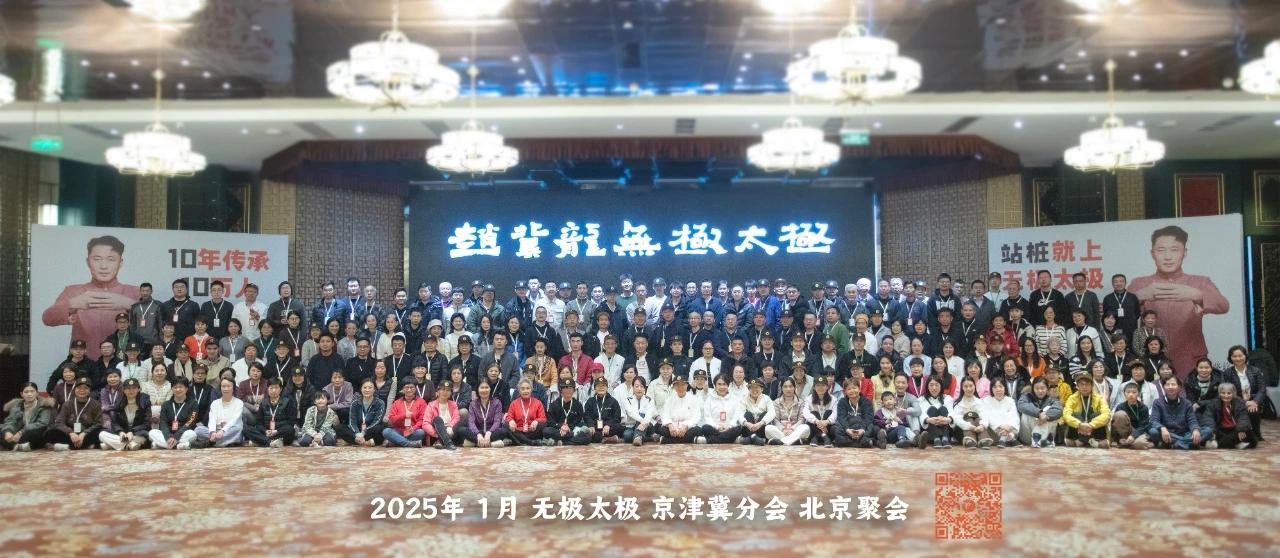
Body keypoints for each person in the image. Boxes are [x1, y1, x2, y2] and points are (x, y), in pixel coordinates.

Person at [1129, 226, 1230, 375]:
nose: (1168, 257)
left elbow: (1223, 305)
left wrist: (1196, 294)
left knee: (1191, 389)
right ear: (1152, 253)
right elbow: (1120, 311)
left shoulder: (1200, 282)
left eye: (1175, 250)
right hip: (1152, 356)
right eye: (1161, 250)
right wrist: (1139, 295)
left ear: (1185, 252)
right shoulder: (1140, 283)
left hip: (1190, 356)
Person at [42, 236, 140, 361]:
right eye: (97, 259)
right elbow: (47, 318)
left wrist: (129, 304)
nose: (103, 266)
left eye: (111, 259)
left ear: (120, 263)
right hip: (83, 362)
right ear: (88, 261)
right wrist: (74, 303)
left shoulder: (135, 292)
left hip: (122, 362)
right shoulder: (74, 290)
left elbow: (153, 323)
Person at [1149, 375, 1210, 450]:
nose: (1170, 387)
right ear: (1163, 387)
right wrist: (1162, 428)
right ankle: (1187, 443)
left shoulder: (1186, 403)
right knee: (1153, 432)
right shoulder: (1157, 402)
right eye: (1167, 384)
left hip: (1185, 433)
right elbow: (1154, 420)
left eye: (1173, 384)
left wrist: (1195, 429)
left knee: (1208, 431)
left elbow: (1192, 420)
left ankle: (1177, 444)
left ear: (1179, 388)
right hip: (1167, 433)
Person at [1223, 345, 1269, 441]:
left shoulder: (1255, 370)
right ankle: (1244, 433)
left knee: (1253, 410)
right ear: (1230, 358)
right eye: (1234, 356)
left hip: (1253, 401)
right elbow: (1228, 391)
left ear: (1245, 356)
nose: (1238, 358)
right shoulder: (1227, 373)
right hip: (1235, 402)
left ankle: (1256, 434)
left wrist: (1255, 401)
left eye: (1240, 355)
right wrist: (1244, 403)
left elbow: (1262, 389)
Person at [1198, 383, 1257, 449]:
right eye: (1223, 393)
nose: (1226, 396)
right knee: (1208, 432)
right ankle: (1235, 444)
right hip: (1220, 430)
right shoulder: (1213, 403)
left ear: (1233, 393)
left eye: (1229, 393)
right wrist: (1213, 430)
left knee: (1248, 433)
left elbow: (1243, 417)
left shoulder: (1239, 403)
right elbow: (1208, 418)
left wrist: (1241, 429)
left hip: (1235, 429)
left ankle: (1217, 444)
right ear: (1219, 393)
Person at [98, 378, 150, 451]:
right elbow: (114, 422)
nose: (131, 391)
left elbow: (147, 423)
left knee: (145, 436)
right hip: (123, 433)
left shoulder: (144, 402)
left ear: (139, 389)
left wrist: (132, 432)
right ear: (123, 390)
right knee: (102, 434)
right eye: (128, 388)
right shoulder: (119, 402)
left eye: (134, 388)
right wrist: (120, 432)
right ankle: (130, 444)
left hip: (138, 433)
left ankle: (113, 445)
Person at [149, 377, 200, 450]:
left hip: (183, 432)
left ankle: (162, 444)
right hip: (168, 433)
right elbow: (163, 423)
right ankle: (178, 445)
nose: (178, 389)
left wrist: (176, 437)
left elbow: (190, 422)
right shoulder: (166, 404)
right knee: (152, 432)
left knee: (192, 434)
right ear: (172, 389)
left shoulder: (193, 403)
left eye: (180, 387)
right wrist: (168, 437)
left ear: (186, 389)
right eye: (175, 387)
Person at [2, 383, 53, 451]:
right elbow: (11, 421)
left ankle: (12, 445)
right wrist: (8, 431)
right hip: (18, 433)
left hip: (32, 433)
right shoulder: (16, 405)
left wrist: (21, 432)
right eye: (26, 392)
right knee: (3, 429)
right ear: (21, 394)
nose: (29, 394)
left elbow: (42, 423)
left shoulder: (44, 405)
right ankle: (17, 446)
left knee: (36, 433)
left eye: (32, 391)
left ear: (37, 393)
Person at [196, 377, 245, 448]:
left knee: (238, 430)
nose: (226, 389)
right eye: (223, 386)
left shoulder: (239, 403)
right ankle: (224, 442)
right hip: (217, 430)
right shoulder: (215, 403)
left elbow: (234, 420)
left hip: (230, 430)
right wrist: (212, 432)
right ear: (220, 388)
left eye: (228, 386)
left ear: (233, 388)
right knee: (198, 430)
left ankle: (211, 442)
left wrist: (223, 431)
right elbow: (212, 419)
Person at [247, 379, 297, 448]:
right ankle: (270, 442)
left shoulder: (287, 402)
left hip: (280, 432)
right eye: (271, 388)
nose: (274, 390)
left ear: (281, 389)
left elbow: (291, 422)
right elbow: (259, 423)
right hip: (267, 432)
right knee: (248, 429)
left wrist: (276, 431)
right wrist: (265, 431)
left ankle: (261, 441)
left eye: (276, 388)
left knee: (290, 430)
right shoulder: (263, 403)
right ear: (267, 389)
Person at [833, 378, 881, 448]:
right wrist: (847, 430)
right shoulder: (842, 402)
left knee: (874, 428)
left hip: (862, 428)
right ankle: (869, 442)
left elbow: (868, 418)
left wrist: (862, 430)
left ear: (859, 389)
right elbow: (842, 418)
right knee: (834, 429)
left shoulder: (866, 401)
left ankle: (856, 442)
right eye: (849, 389)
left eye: (854, 388)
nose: (852, 391)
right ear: (845, 391)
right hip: (848, 429)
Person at [1016, 377, 1062, 447]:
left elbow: (1059, 409)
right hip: (1028, 437)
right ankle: (1036, 438)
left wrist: (1046, 416)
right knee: (1026, 413)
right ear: (1032, 389)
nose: (1040, 391)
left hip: (1046, 436)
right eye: (1037, 388)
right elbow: (1021, 405)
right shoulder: (1026, 396)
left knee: (1050, 413)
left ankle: (1042, 439)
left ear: (1047, 389)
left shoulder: (1053, 399)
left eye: (1042, 388)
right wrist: (1039, 413)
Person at [544, 379, 590, 446]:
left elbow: (577, 421)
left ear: (574, 390)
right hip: (558, 430)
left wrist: (568, 428)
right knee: (546, 431)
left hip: (571, 429)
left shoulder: (578, 405)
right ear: (561, 390)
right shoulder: (554, 404)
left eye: (570, 388)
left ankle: (560, 442)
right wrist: (561, 426)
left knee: (587, 437)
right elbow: (550, 421)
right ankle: (572, 437)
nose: (568, 390)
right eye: (565, 388)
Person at [461, 380, 506, 448]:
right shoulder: (473, 404)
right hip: (478, 433)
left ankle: (477, 443)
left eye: (486, 387)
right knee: (461, 430)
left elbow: (497, 421)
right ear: (477, 389)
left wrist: (489, 432)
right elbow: (471, 422)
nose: (484, 390)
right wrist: (478, 434)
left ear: (490, 389)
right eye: (482, 388)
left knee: (504, 431)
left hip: (492, 433)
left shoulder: (497, 402)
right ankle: (490, 443)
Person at [659, 374, 702, 444]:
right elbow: (665, 415)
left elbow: (696, 417)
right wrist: (670, 425)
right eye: (677, 385)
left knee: (697, 430)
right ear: (673, 386)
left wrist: (686, 426)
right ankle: (690, 440)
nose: (680, 387)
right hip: (673, 427)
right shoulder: (669, 400)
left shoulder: (694, 399)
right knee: (662, 430)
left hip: (688, 428)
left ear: (687, 385)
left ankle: (667, 440)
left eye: (683, 384)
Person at [1111, 382, 1153, 450]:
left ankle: (1129, 442)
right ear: (1124, 393)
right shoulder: (1120, 406)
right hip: (1125, 432)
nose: (1131, 394)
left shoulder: (1143, 408)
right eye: (1128, 392)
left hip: (1139, 432)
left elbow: (1144, 426)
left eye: (1134, 392)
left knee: (1139, 444)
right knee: (1119, 414)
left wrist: (1133, 436)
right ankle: (1125, 441)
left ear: (1138, 393)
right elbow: (1115, 424)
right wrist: (1118, 439)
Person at [384, 383, 427, 448]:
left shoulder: (421, 402)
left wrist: (413, 428)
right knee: (386, 431)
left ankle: (396, 442)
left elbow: (422, 420)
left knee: (421, 432)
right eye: (407, 387)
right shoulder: (397, 402)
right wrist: (404, 415)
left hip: (413, 431)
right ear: (403, 389)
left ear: (415, 389)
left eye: (411, 387)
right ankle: (409, 444)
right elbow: (392, 419)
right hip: (398, 431)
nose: (409, 390)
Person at [505, 379, 547, 446]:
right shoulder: (514, 403)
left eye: (528, 388)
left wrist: (536, 421)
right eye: (523, 389)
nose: (525, 391)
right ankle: (530, 442)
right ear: (519, 391)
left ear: (531, 389)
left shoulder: (538, 403)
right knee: (506, 425)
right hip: (518, 431)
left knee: (542, 424)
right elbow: (509, 417)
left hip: (532, 431)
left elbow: (543, 418)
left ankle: (520, 442)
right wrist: (511, 421)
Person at [916, 376, 954, 448]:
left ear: (941, 386)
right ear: (927, 387)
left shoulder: (947, 398)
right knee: (932, 409)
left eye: (937, 385)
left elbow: (951, 411)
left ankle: (945, 438)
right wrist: (929, 420)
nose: (934, 388)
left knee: (943, 409)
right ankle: (936, 438)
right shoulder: (921, 400)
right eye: (931, 385)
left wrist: (947, 419)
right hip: (930, 430)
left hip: (945, 428)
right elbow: (922, 414)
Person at [423, 381, 462, 450]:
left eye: (448, 390)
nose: (445, 392)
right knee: (437, 419)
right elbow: (425, 424)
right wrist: (438, 434)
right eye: (443, 389)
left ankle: (441, 442)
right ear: (438, 391)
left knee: (463, 420)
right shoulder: (431, 405)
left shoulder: (453, 404)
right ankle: (448, 443)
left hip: (451, 431)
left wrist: (450, 427)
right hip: (437, 433)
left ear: (451, 393)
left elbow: (456, 418)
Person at [982, 380, 1020, 447]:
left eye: (1000, 386)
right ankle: (1009, 438)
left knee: (1011, 416)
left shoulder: (1010, 401)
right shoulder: (986, 401)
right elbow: (989, 418)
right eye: (995, 387)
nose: (998, 389)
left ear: (1005, 388)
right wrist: (1001, 426)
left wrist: (1010, 427)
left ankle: (1005, 437)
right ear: (991, 389)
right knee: (988, 419)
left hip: (1010, 429)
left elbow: (1015, 416)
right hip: (994, 432)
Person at [738, 378, 773, 445]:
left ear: (762, 389)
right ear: (748, 389)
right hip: (749, 428)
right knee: (747, 414)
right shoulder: (744, 399)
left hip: (761, 428)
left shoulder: (767, 398)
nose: (754, 390)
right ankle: (755, 438)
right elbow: (739, 414)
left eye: (757, 387)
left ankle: (752, 439)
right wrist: (747, 424)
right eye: (751, 388)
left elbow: (772, 413)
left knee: (764, 414)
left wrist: (760, 424)